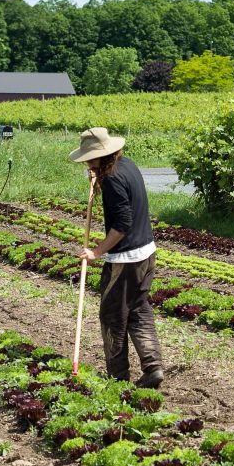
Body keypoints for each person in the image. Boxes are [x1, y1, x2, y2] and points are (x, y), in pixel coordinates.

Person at [68, 126, 165, 388]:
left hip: (126, 259)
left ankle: (118, 376)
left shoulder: (111, 178)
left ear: (100, 156)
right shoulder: (127, 165)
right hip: (147, 252)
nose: (88, 163)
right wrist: (96, 181)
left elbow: (122, 223)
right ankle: (153, 368)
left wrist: (96, 252)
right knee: (138, 309)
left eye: (90, 159)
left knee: (112, 316)